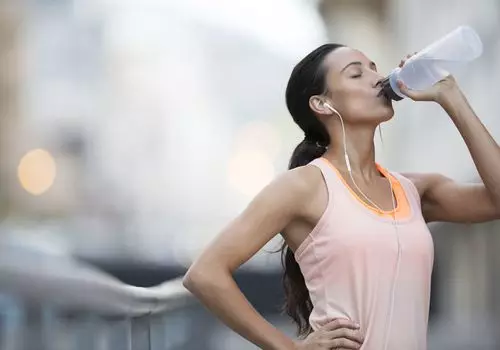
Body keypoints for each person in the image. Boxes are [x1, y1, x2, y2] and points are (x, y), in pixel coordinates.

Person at [182, 43, 500, 350]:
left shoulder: (413, 190)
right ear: (322, 104)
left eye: (374, 68)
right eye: (355, 73)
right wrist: (287, 348)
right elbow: (205, 274)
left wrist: (453, 99)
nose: (376, 77)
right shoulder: (303, 186)